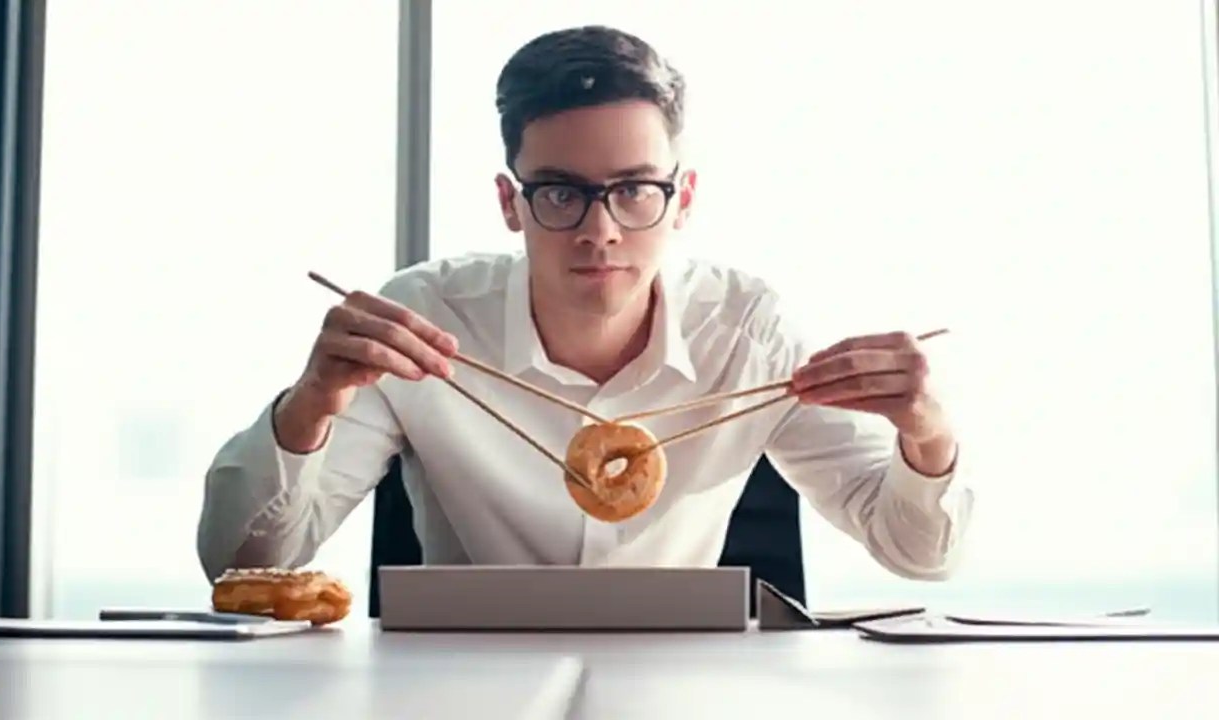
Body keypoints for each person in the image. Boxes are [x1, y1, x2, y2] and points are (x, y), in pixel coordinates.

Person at [196, 25, 972, 584]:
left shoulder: (747, 331)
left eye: (635, 189)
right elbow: (240, 564)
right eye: (562, 192)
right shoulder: (425, 322)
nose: (599, 233)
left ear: (683, 198)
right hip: (461, 693)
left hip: (684, 692)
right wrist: (311, 402)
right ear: (511, 202)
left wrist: (926, 430)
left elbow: (920, 555)